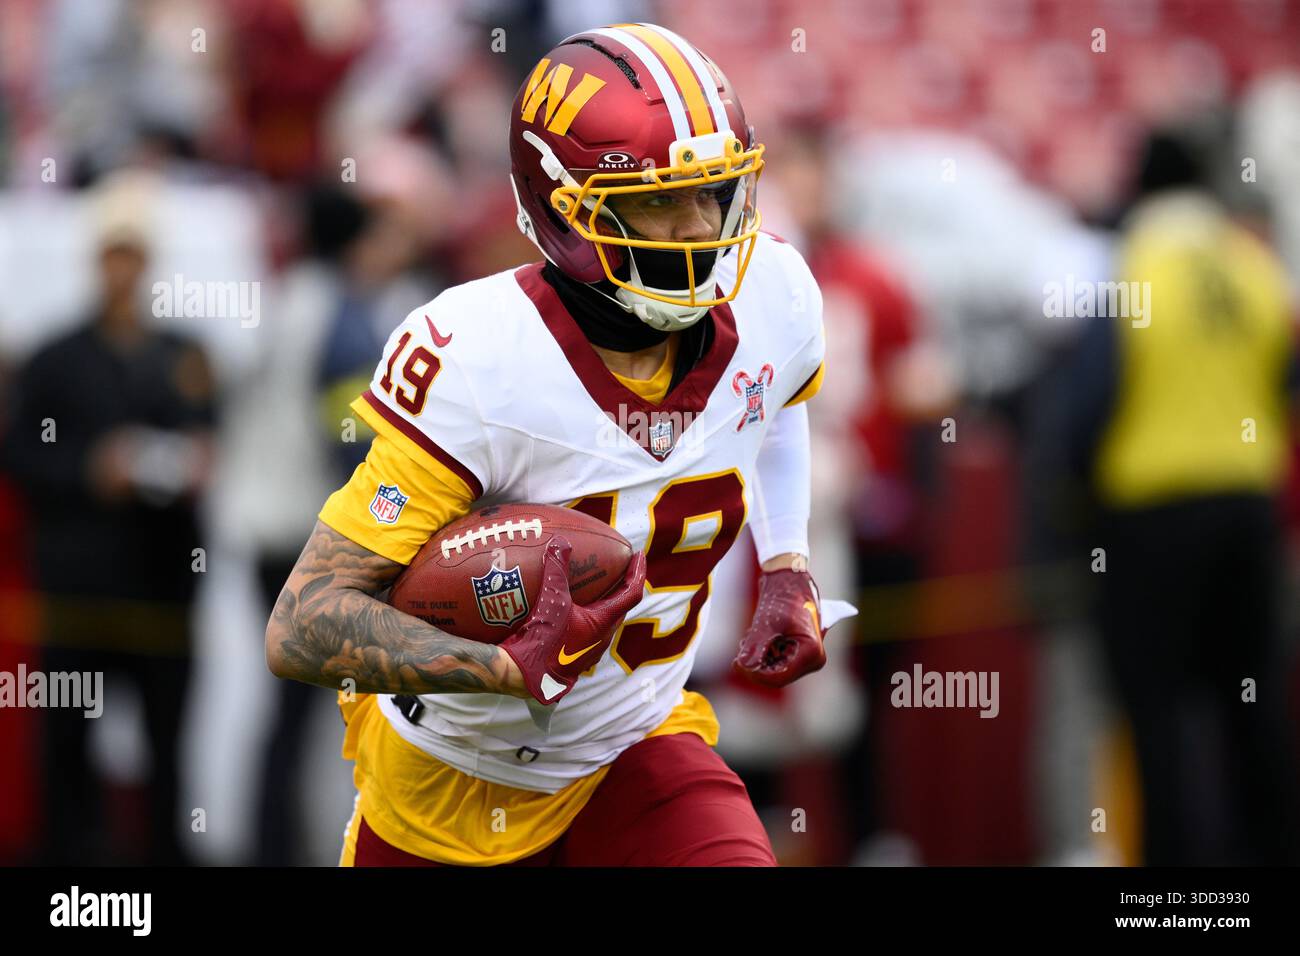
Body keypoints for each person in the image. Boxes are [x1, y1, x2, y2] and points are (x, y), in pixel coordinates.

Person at [264, 22, 850, 866]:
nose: (698, 228)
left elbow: (780, 400)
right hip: (447, 784)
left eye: (712, 192)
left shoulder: (775, 293)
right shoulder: (478, 359)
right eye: (658, 199)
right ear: (566, 208)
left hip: (634, 745)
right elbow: (304, 625)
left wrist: (788, 560)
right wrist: (493, 666)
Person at [3, 172, 216, 865]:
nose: (123, 270)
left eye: (134, 255)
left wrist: (186, 463)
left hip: (159, 591)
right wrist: (90, 469)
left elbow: (208, 443)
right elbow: (20, 457)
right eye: (112, 254)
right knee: (65, 744)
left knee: (167, 748)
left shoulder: (183, 358)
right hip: (78, 593)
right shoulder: (55, 359)